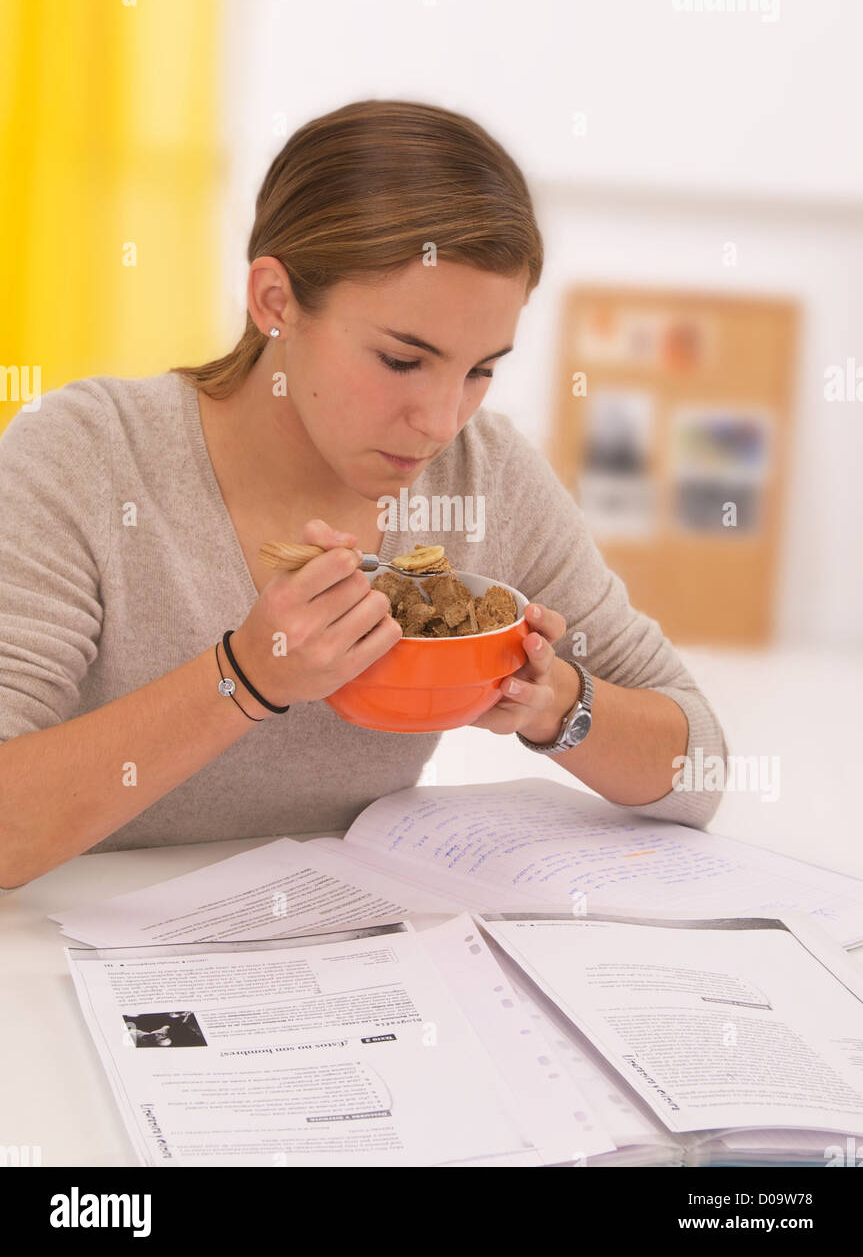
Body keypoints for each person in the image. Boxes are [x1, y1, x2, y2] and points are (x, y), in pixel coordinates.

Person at [0, 99, 728, 891]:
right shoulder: (87, 455)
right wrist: (245, 678)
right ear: (275, 302)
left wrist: (554, 702)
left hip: (353, 965)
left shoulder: (486, 478)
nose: (442, 420)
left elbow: (702, 766)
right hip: (72, 963)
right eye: (400, 360)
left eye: (480, 369)